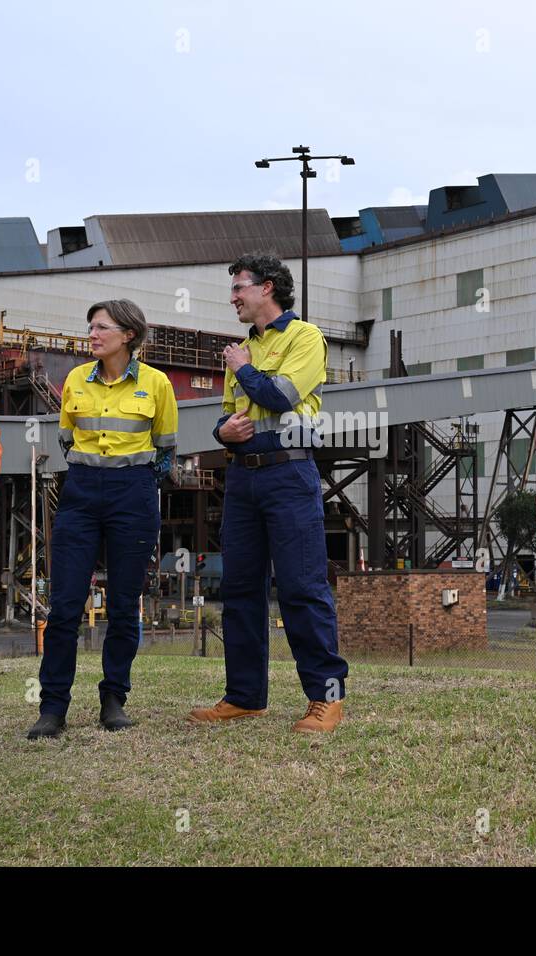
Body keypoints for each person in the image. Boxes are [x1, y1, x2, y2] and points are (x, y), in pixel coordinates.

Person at [187, 252, 349, 733]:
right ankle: (244, 696)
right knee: (239, 589)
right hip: (242, 476)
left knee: (302, 586)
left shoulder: (306, 337)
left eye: (239, 287)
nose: (233, 297)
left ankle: (326, 698)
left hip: (289, 473)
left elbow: (281, 397)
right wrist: (222, 434)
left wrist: (243, 368)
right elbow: (226, 416)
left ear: (269, 287)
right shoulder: (241, 348)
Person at [25, 299, 176, 740]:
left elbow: (166, 448)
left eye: (101, 327)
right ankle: (52, 708)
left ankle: (114, 700)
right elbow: (67, 438)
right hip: (82, 493)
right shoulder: (74, 379)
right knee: (65, 605)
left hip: (135, 494)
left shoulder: (157, 384)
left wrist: (139, 485)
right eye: (90, 327)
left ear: (128, 335)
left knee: (125, 606)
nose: (91, 334)